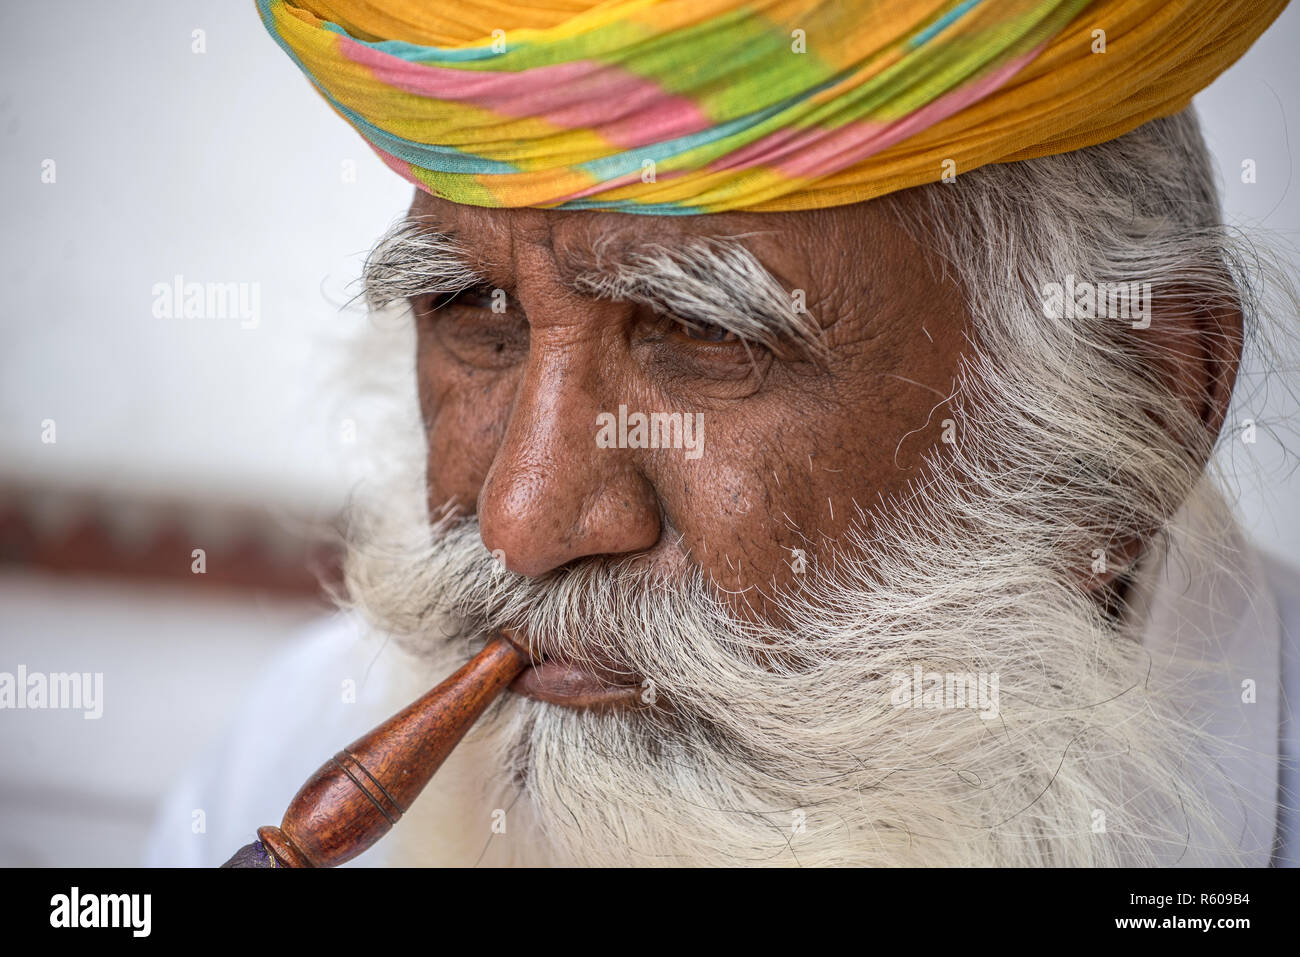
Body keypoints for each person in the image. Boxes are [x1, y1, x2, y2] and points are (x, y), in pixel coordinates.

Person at [148, 0, 1298, 866]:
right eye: (479, 316)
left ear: (1138, 403)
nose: (523, 518)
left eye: (704, 336)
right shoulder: (297, 734)